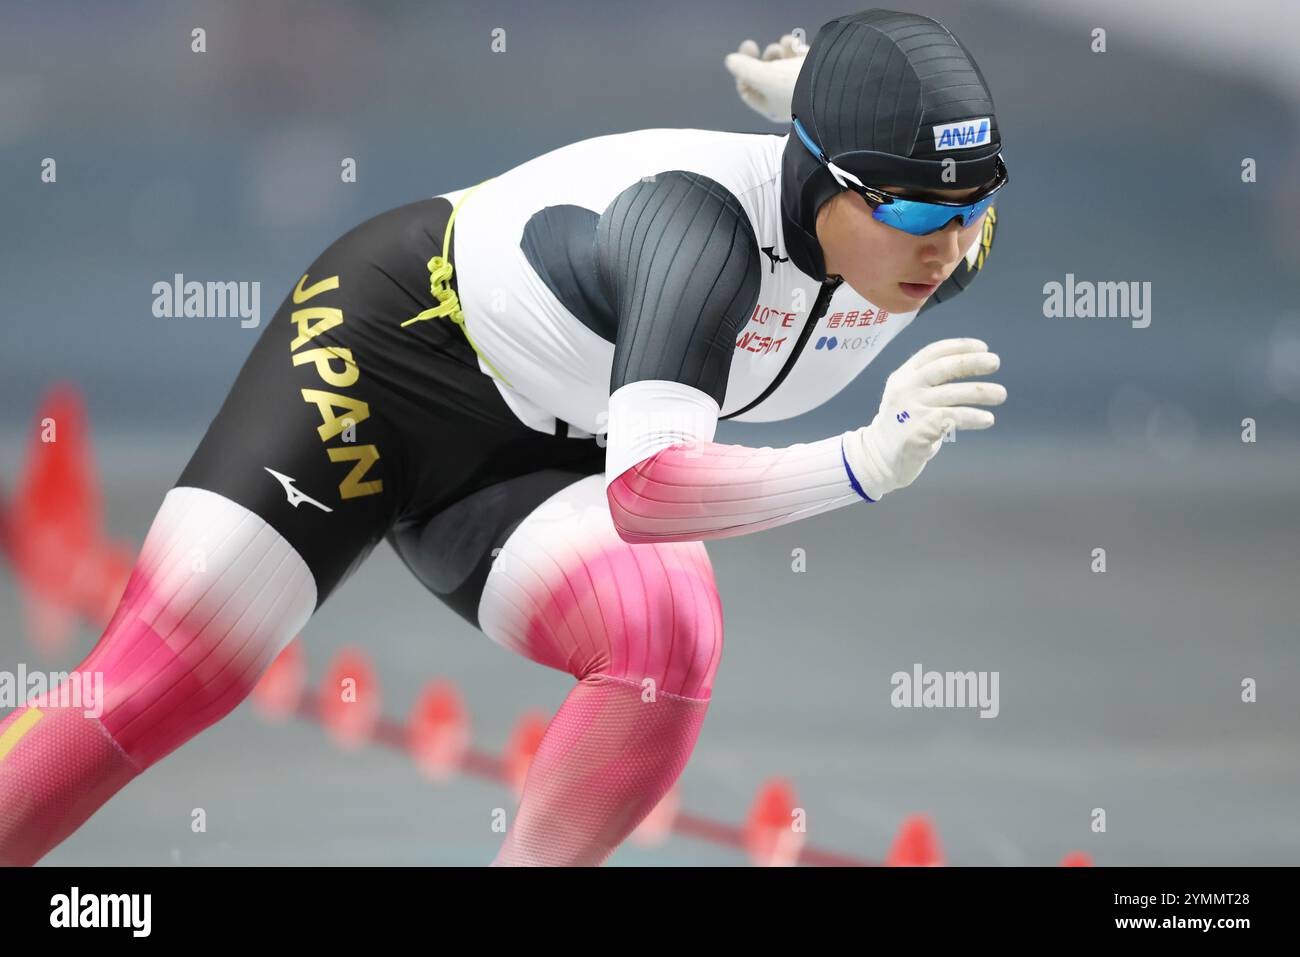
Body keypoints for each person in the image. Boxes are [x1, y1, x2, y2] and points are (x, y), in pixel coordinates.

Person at [0, 8, 1006, 867]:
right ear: (824, 175)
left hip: (548, 446)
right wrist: (862, 464)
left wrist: (824, 94)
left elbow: (914, 182)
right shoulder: (696, 237)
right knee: (169, 676)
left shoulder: (931, 233)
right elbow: (648, 494)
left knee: (665, 640)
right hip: (384, 362)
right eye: (919, 209)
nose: (947, 246)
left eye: (973, 211)